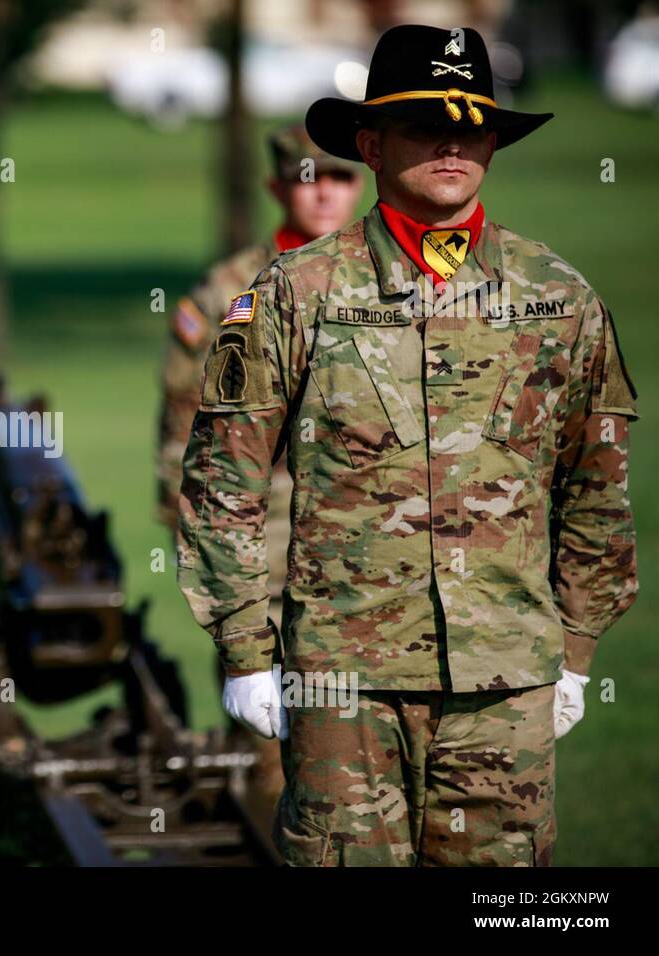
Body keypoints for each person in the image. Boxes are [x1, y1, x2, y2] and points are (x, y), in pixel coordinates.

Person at [176, 25, 638, 866]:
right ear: (370, 144)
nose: (453, 143)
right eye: (426, 125)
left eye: (472, 125)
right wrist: (245, 649)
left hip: (508, 682)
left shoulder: (558, 296)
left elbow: (598, 487)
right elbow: (222, 479)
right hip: (342, 678)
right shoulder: (296, 292)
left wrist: (575, 650)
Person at [156, 123, 361, 818]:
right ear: (277, 187)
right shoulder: (227, 292)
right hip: (264, 555)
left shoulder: (396, 280)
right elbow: (182, 432)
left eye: (342, 176)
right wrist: (205, 563)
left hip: (376, 562)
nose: (327, 192)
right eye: (311, 177)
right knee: (271, 761)